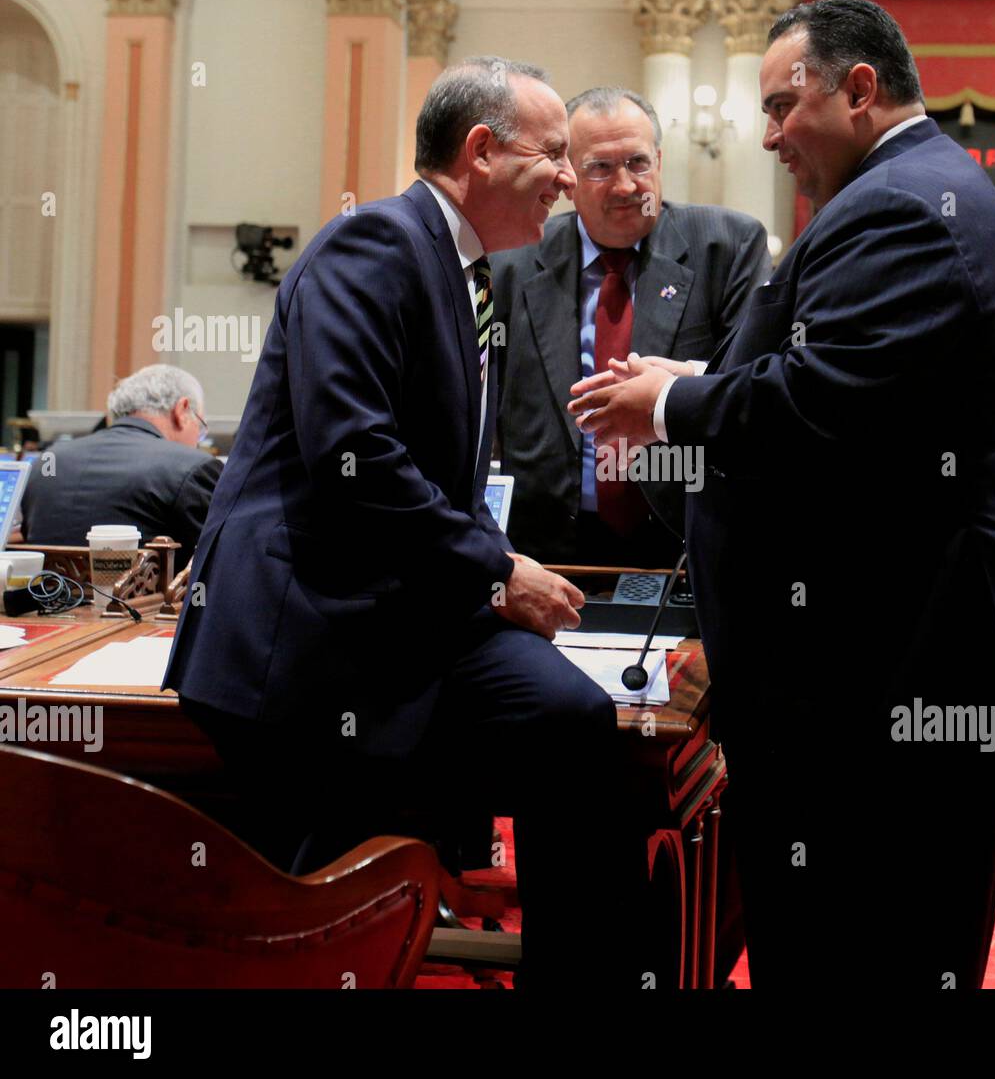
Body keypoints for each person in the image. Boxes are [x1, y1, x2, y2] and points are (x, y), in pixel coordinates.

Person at [569, 0, 995, 989]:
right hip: (889, 650)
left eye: (780, 106)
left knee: (866, 942)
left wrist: (671, 406)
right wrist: (692, 390)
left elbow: (826, 405)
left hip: (902, 661)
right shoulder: (907, 190)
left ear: (858, 89)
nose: (767, 137)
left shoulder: (897, 205)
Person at [163, 57, 649, 988]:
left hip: (390, 610)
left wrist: (489, 569)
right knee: (324, 911)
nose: (564, 176)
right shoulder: (375, 247)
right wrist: (497, 570)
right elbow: (357, 459)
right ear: (480, 151)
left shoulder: (466, 273)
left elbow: (440, 474)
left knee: (577, 725)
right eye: (552, 154)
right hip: (305, 630)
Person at [492, 86, 771, 567]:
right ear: (567, 176)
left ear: (659, 160)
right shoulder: (510, 264)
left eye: (638, 163)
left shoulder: (726, 247)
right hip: (544, 551)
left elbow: (751, 384)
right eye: (599, 167)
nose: (625, 186)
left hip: (682, 540)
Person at [20, 364, 221, 567]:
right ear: (182, 410)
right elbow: (218, 564)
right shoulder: (192, 467)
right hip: (135, 599)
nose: (198, 440)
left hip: (39, 595)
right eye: (201, 428)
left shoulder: (47, 460)